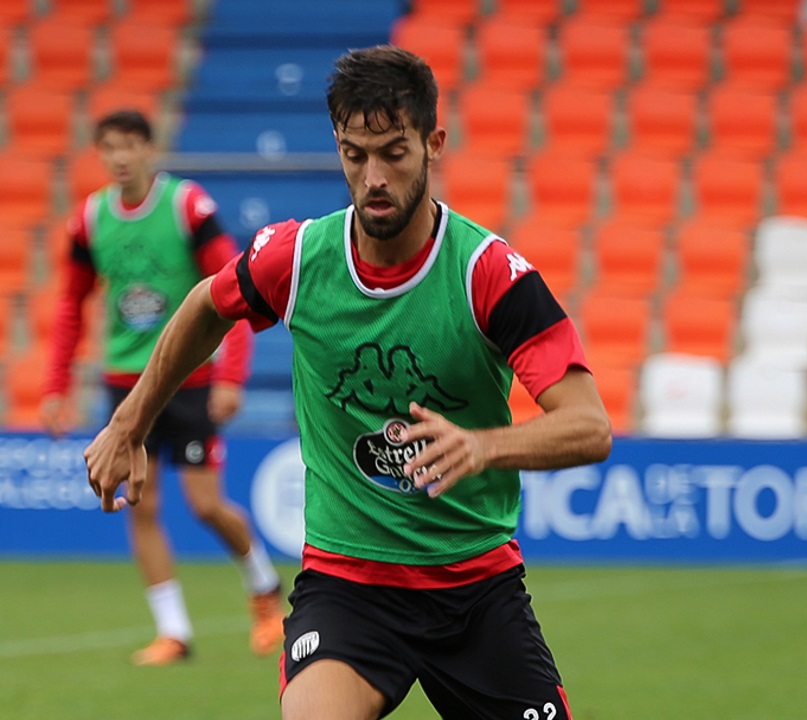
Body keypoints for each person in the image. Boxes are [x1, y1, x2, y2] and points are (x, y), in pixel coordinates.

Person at [84, 46, 612, 720]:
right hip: (348, 588)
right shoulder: (299, 259)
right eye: (354, 154)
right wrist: (128, 423)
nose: (373, 177)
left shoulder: (490, 276)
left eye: (394, 151)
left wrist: (485, 447)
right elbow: (203, 309)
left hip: (476, 587)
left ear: (434, 144)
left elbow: (590, 424)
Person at [43, 110, 285, 666]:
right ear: (99, 153)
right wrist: (56, 386)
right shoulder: (89, 220)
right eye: (109, 147)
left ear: (151, 151)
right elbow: (70, 305)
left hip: (189, 378)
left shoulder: (186, 207)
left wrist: (230, 375)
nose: (120, 156)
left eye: (131, 145)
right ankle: (173, 632)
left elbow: (235, 285)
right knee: (140, 504)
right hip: (125, 388)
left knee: (205, 505)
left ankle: (263, 588)